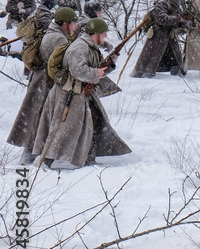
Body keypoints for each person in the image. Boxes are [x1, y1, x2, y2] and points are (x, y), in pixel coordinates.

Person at [32, 18, 131, 169]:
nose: (105, 37)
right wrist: (95, 71)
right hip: (68, 96)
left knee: (94, 124)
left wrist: (109, 64)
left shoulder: (89, 47)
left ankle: (88, 158)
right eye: (103, 33)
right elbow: (78, 70)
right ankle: (45, 162)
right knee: (62, 129)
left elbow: (96, 71)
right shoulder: (79, 48)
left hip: (80, 94)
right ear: (95, 34)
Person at [7, 7, 77, 162]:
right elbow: (65, 63)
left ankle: (31, 154)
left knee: (35, 117)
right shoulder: (59, 39)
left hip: (40, 81)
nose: (75, 26)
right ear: (65, 23)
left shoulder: (51, 33)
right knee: (40, 118)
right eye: (73, 22)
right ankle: (32, 156)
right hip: (46, 83)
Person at [131, 0, 190, 78]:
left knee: (174, 59)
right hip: (159, 37)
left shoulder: (174, 4)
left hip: (169, 37)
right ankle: (145, 77)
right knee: (150, 59)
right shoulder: (163, 3)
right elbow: (161, 18)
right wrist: (177, 18)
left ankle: (177, 75)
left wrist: (186, 23)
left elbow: (177, 21)